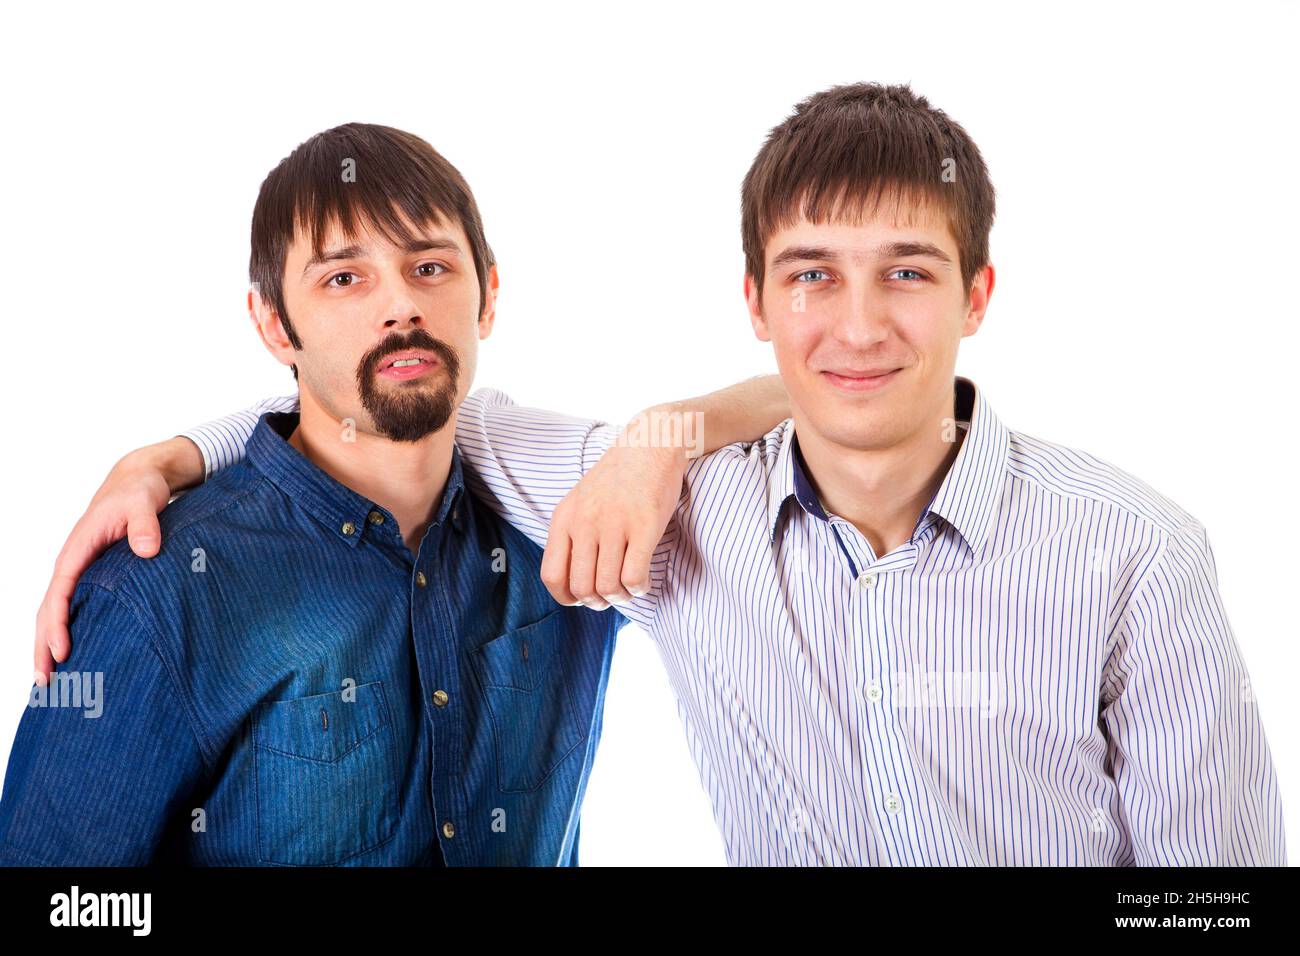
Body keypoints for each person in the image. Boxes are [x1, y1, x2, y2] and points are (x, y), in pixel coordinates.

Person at [33, 85, 1286, 865]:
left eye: (905, 271)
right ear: (755, 300)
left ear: (976, 293)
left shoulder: (1133, 550)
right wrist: (178, 451)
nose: (855, 326)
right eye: (809, 276)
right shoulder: (170, 578)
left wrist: (659, 437)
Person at [1, 122, 782, 866]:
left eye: (430, 267)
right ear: (274, 326)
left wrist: (661, 439)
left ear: (488, 295)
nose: (400, 304)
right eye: (345, 278)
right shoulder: (157, 587)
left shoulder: (565, 519)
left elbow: (837, 400)